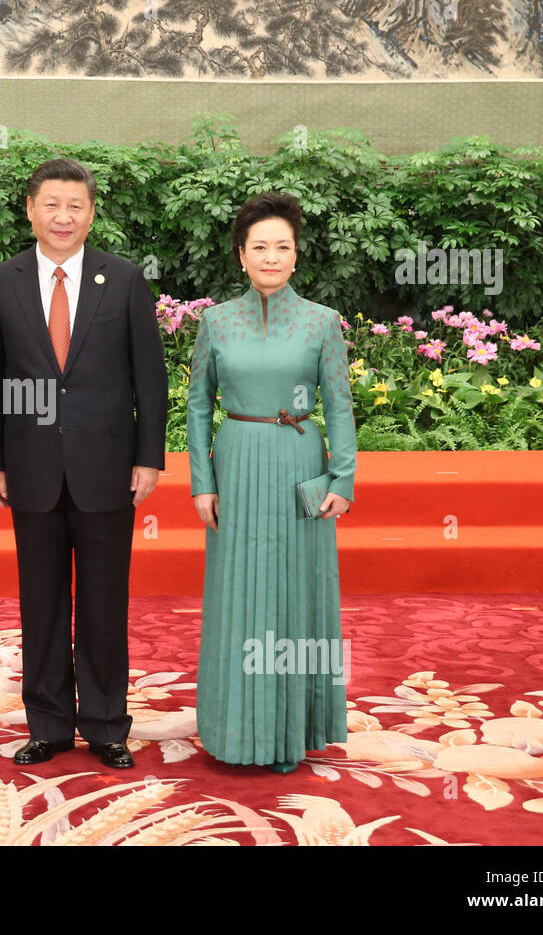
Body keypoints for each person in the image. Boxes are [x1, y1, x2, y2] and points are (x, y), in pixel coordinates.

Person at [0, 158, 168, 770]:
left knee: (106, 602)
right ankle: (49, 725)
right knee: (43, 602)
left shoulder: (125, 279)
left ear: (90, 213)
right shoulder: (0, 283)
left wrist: (149, 456)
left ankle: (108, 724)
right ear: (30, 209)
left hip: (108, 466)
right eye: (51, 204)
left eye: (75, 206)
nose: (63, 216)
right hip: (30, 467)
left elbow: (150, 376)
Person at [186, 191, 356, 774]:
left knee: (297, 591)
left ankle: (295, 727)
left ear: (296, 255)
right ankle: (234, 729)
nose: (271, 256)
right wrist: (201, 482)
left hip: (300, 465)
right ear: (241, 255)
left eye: (282, 246)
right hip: (235, 461)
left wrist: (344, 476)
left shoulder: (322, 322)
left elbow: (339, 406)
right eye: (260, 246)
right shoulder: (215, 321)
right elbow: (196, 406)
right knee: (237, 592)